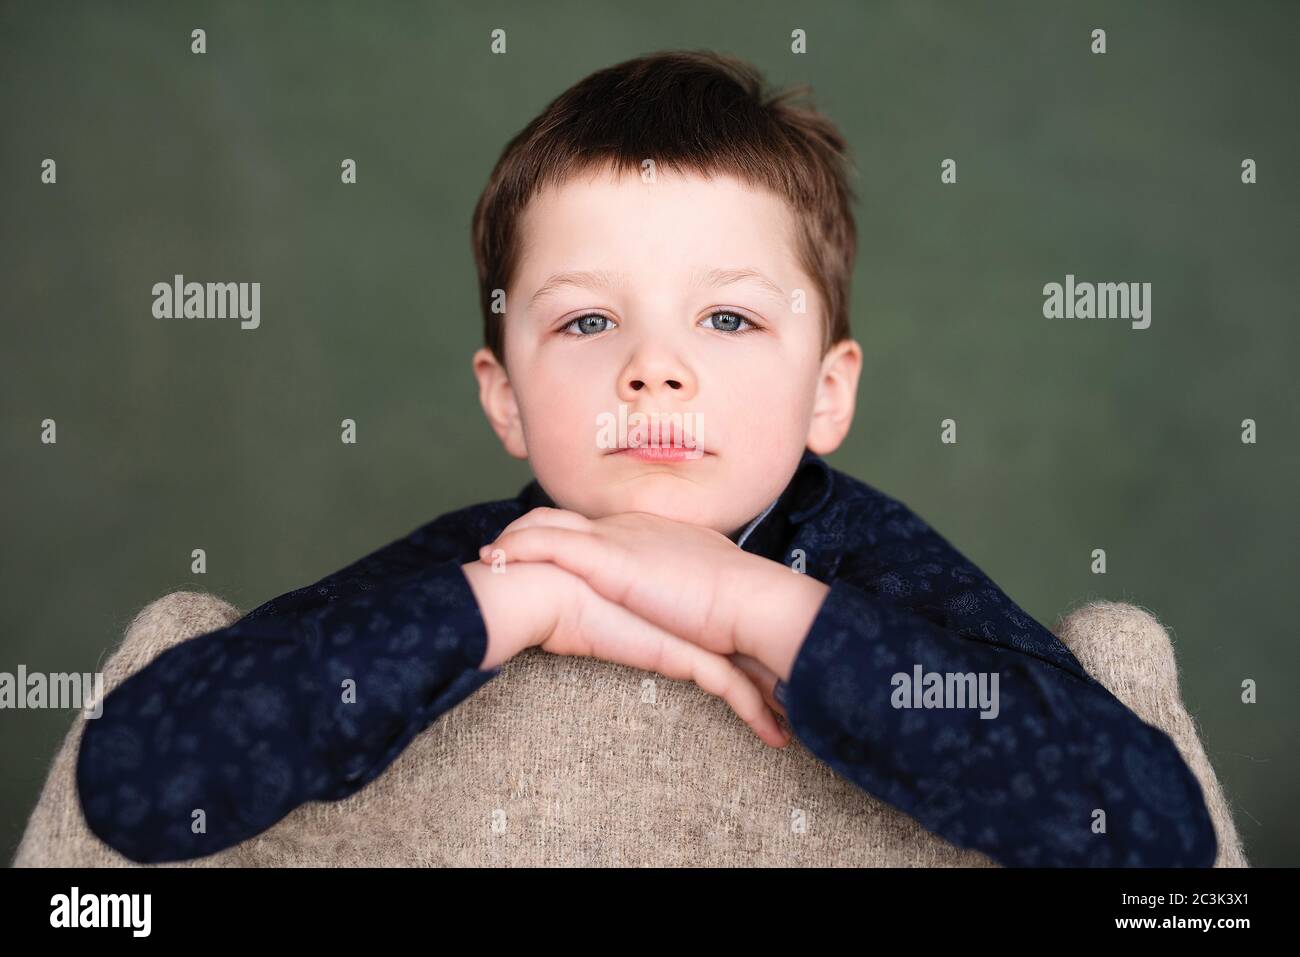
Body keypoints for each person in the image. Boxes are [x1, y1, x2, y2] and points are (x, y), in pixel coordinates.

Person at [76, 50, 1216, 867]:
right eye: (585, 323)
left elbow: (1148, 832)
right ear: (506, 400)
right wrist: (508, 610)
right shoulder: (487, 564)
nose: (652, 371)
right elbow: (136, 786)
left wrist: (750, 600)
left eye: (726, 321)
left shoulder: (872, 565)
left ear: (828, 392)